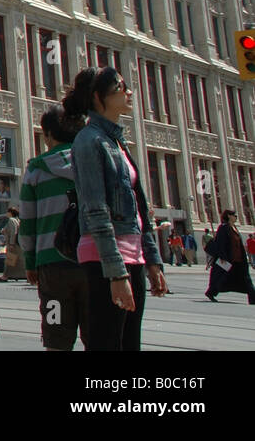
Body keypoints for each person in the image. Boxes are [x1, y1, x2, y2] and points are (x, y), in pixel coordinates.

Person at [67, 67, 167, 351]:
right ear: (99, 98)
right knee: (107, 342)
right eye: (121, 87)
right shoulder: (89, 141)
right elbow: (95, 209)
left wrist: (152, 260)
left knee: (129, 344)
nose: (129, 92)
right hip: (105, 258)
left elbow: (140, 205)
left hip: (131, 253)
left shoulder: (116, 141)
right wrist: (116, 273)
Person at [20, 105, 90, 351]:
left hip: (51, 265)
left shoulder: (36, 170)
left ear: (48, 134)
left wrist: (30, 260)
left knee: (55, 333)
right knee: (97, 334)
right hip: (93, 262)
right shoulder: (92, 161)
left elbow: (27, 223)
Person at [204, 209, 255, 304]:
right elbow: (221, 243)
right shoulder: (223, 227)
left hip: (239, 259)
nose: (236, 217)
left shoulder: (234, 227)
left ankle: (253, 298)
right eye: (234, 215)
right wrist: (222, 257)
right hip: (228, 259)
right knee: (221, 277)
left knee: (246, 278)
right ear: (228, 216)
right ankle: (211, 292)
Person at [0, 207, 24, 280]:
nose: (7, 213)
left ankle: (5, 276)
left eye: (8, 212)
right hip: (16, 244)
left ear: (10, 213)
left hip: (11, 244)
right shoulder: (17, 220)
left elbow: (13, 232)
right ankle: (17, 275)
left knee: (9, 261)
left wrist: (11, 243)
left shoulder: (11, 220)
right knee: (16, 261)